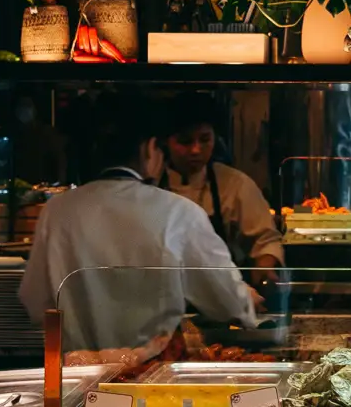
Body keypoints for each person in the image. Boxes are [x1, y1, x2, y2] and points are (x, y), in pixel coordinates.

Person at [19, 98, 256, 351]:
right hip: (149, 375)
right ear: (150, 148)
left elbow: (35, 301)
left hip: (79, 375)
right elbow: (227, 303)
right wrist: (245, 300)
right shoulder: (178, 212)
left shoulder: (57, 210)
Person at [164, 94, 285, 287]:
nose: (196, 150)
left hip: (222, 296)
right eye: (185, 141)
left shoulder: (235, 184)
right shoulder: (148, 186)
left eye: (205, 139)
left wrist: (265, 267)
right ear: (166, 142)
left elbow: (265, 240)